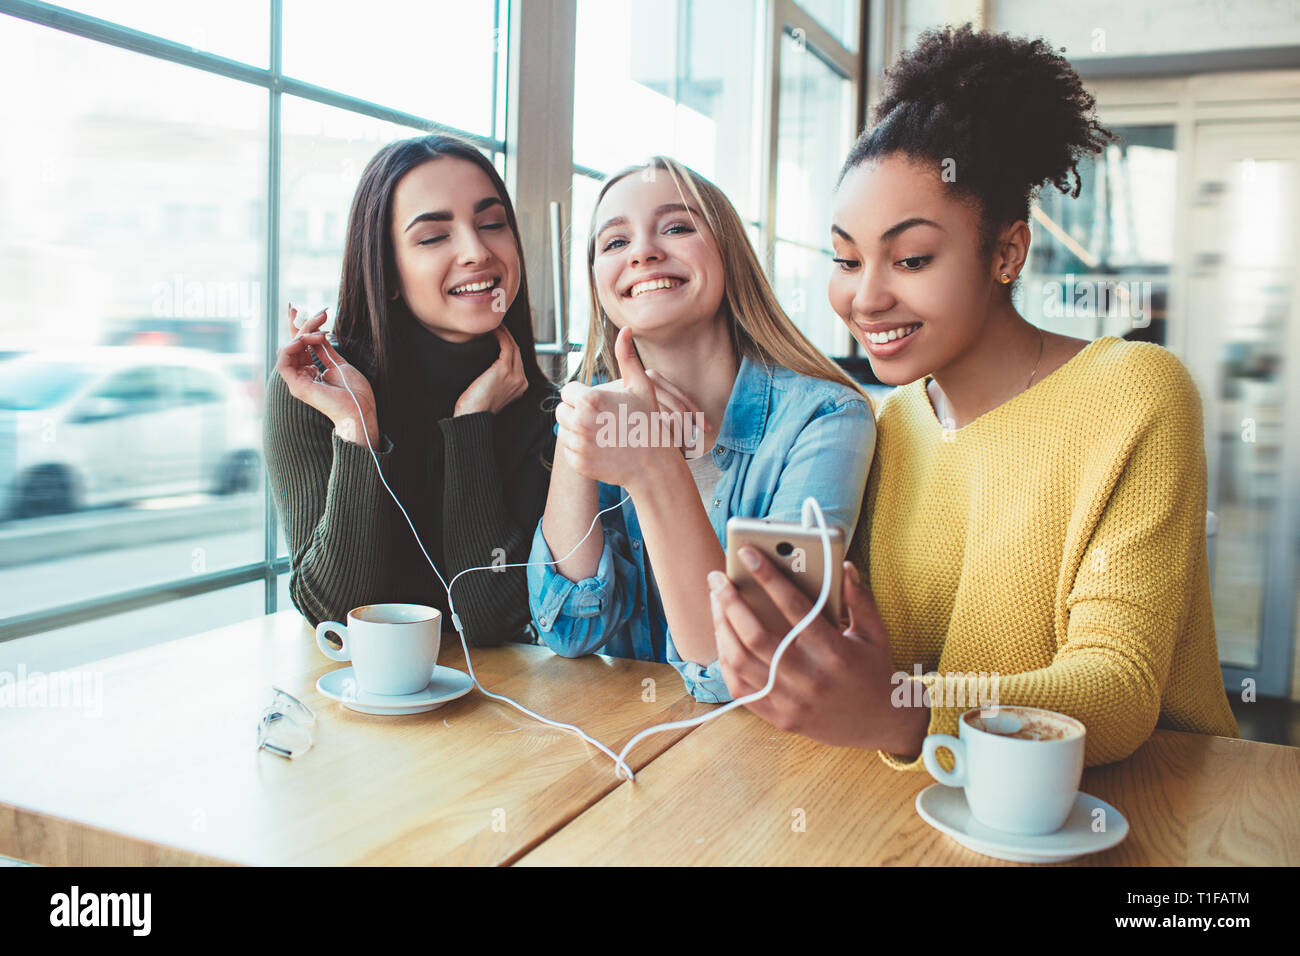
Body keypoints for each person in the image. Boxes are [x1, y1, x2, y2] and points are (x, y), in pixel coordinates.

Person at [707, 23, 1240, 768]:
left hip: (1142, 806)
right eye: (845, 258)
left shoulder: (1134, 392)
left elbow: (1118, 690)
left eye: (912, 257)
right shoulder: (885, 424)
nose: (865, 298)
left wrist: (905, 712)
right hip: (927, 806)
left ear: (1007, 252)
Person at [528, 156, 876, 702]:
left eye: (677, 227)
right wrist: (579, 431)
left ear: (729, 255)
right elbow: (568, 628)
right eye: (614, 243)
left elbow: (756, 668)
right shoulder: (597, 414)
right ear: (597, 283)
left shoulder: (826, 419)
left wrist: (653, 468)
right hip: (626, 750)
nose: (643, 251)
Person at [264, 133, 556, 646]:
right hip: (360, 710)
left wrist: (471, 425)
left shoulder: (545, 406)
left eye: (492, 224)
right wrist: (358, 428)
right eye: (433, 237)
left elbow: (491, 618)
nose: (477, 251)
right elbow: (333, 616)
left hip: (501, 711)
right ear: (387, 271)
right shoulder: (319, 388)